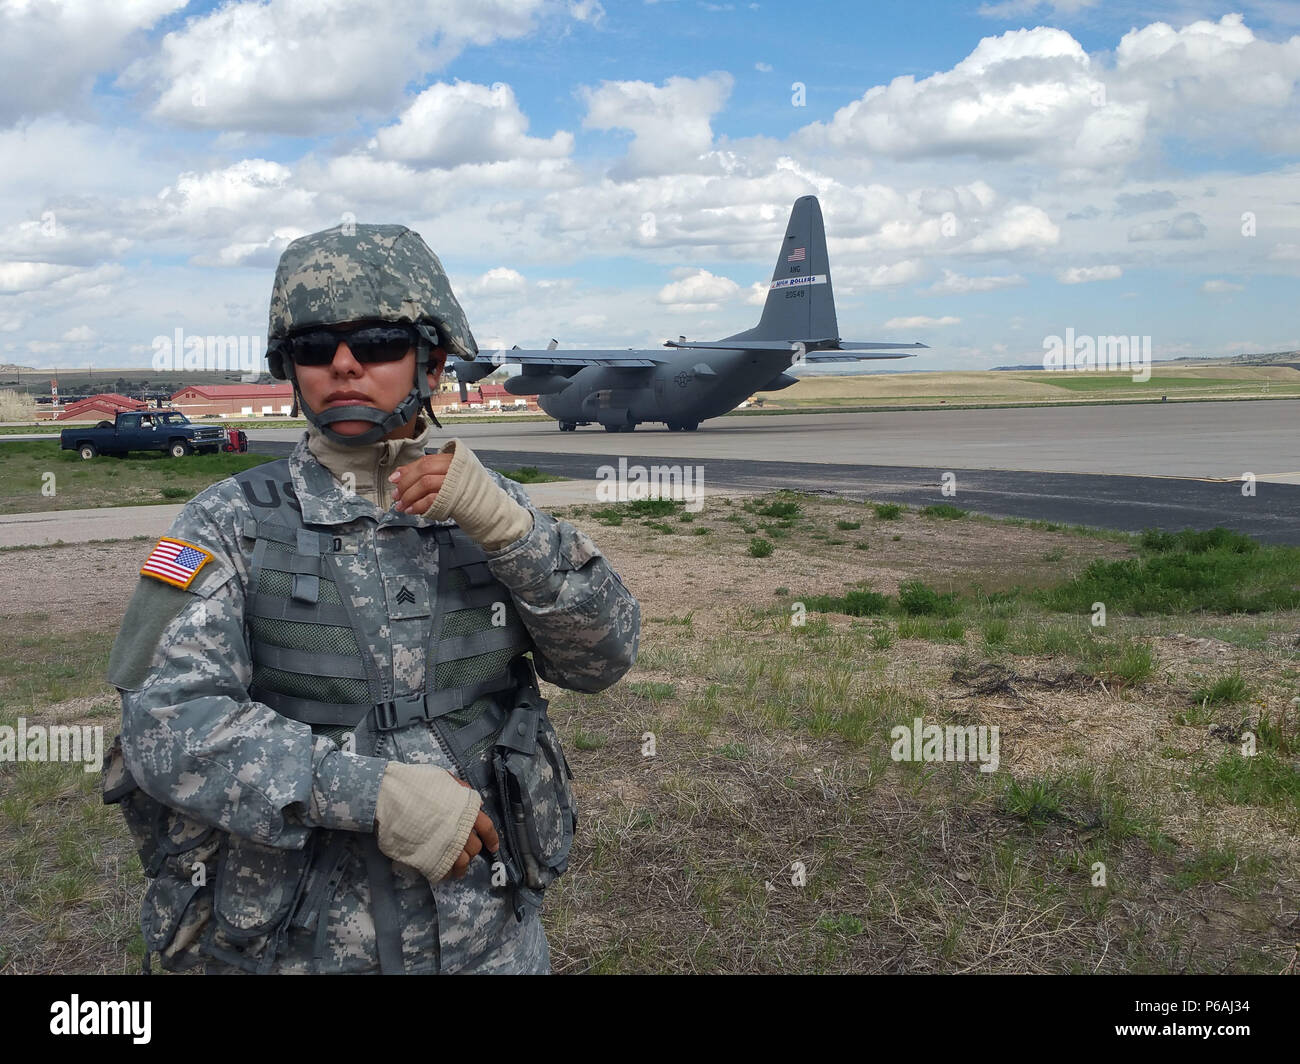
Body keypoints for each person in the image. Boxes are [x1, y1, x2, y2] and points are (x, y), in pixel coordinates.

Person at [103, 223, 641, 974]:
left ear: (434, 358)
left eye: (379, 341)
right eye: (314, 348)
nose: (344, 366)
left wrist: (508, 529)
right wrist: (371, 792)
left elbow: (603, 659)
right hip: (297, 944)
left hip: (488, 937)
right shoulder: (228, 524)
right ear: (290, 369)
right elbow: (165, 724)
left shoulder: (494, 513)